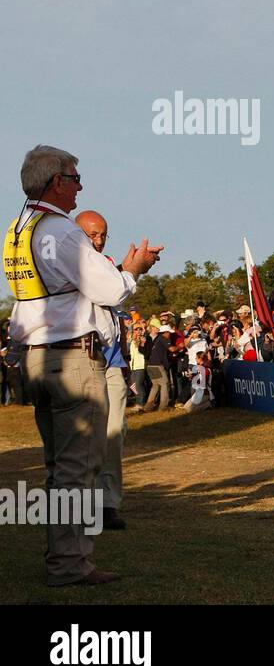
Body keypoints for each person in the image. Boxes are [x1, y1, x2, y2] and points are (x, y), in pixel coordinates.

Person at [5, 145, 162, 586]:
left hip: (36, 358)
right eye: (75, 178)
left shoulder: (18, 228)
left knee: (59, 466)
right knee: (79, 468)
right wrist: (136, 269)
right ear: (56, 181)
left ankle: (61, 555)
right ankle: (69, 564)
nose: (80, 186)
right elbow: (111, 290)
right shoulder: (63, 231)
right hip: (73, 356)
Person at [74, 210, 130, 531]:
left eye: (103, 235)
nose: (98, 241)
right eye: (92, 235)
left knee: (115, 431)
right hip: (83, 360)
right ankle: (81, 502)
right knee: (84, 434)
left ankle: (108, 503)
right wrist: (129, 272)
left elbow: (116, 293)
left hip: (112, 361)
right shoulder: (71, 265)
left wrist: (126, 269)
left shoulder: (105, 263)